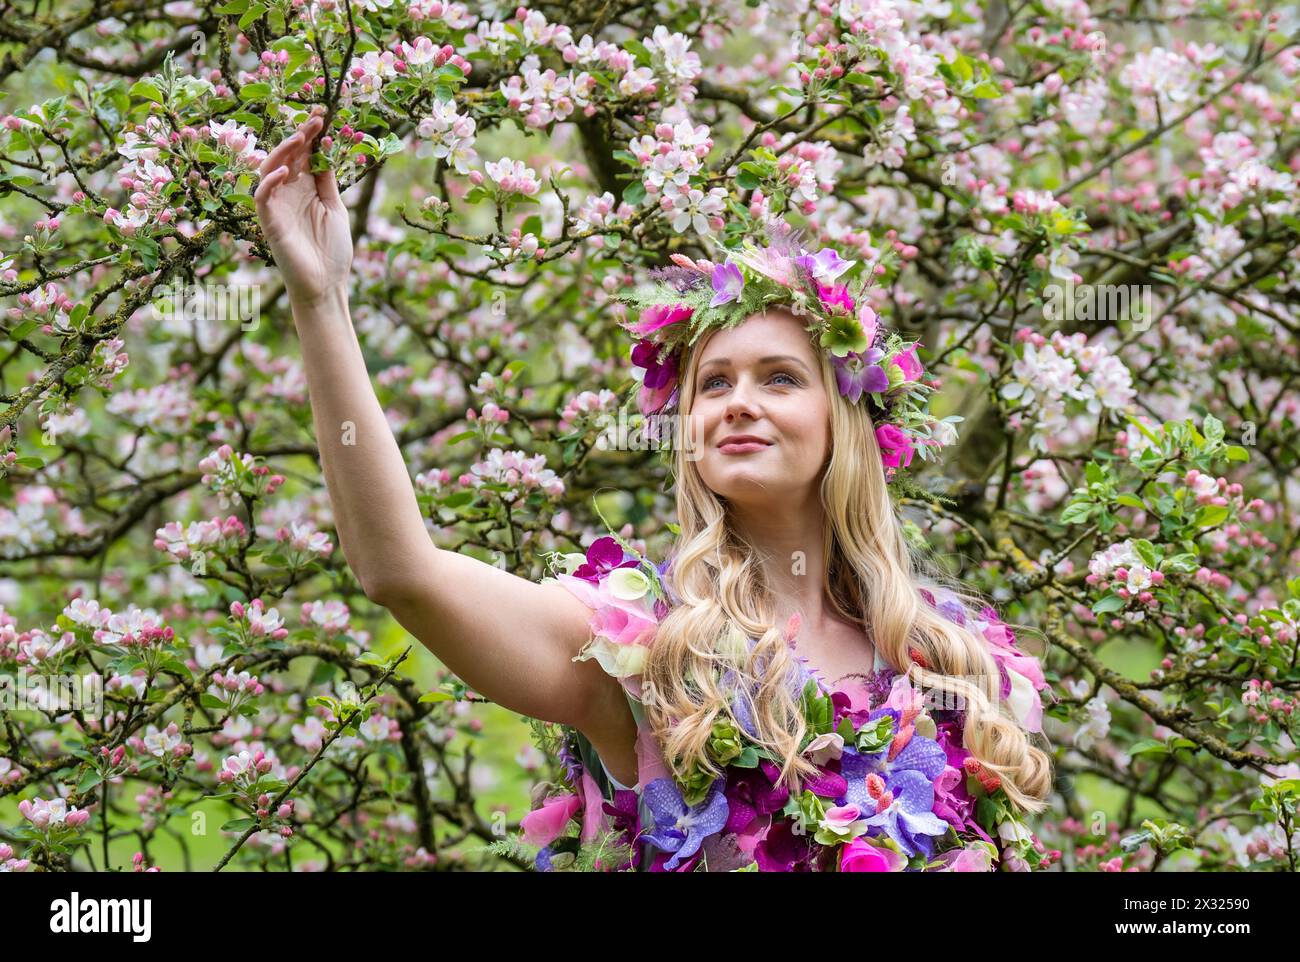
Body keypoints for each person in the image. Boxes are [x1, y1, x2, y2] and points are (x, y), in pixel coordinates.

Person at [255, 115, 1055, 873]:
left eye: (779, 378)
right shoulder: (646, 653)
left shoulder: (954, 662)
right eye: (714, 384)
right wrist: (321, 302)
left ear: (844, 422)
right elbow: (402, 572)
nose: (739, 400)